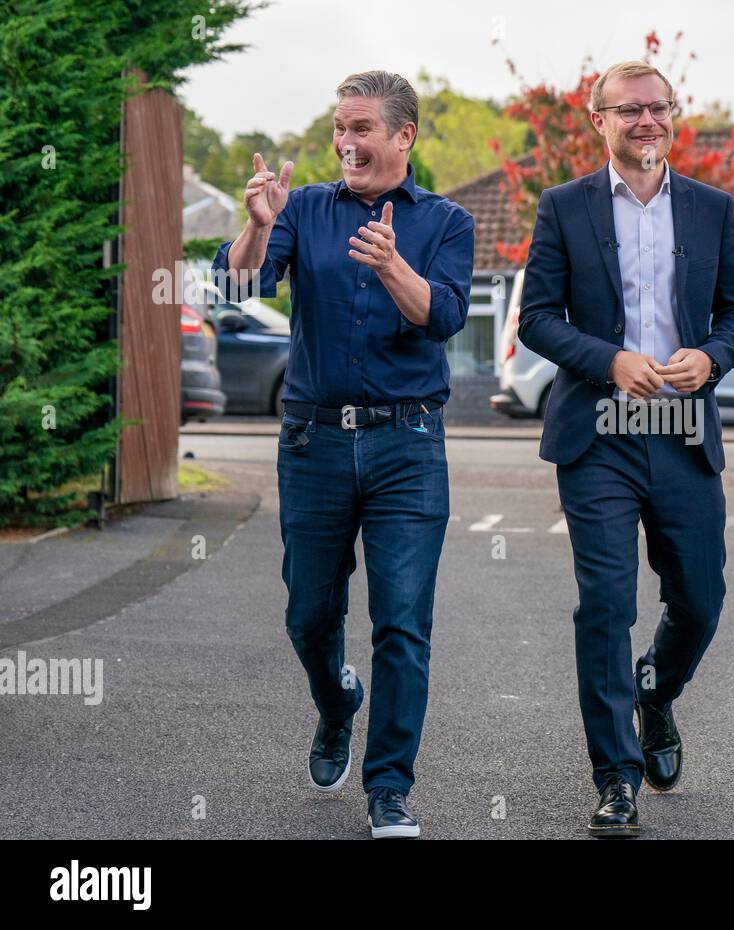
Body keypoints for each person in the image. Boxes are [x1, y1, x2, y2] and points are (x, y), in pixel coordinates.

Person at [212, 70, 474, 839]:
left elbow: (445, 318)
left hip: (408, 445)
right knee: (308, 614)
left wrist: (393, 263)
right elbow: (236, 284)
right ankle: (336, 703)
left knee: (401, 623)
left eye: (362, 128)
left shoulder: (447, 222)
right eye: (339, 128)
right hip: (314, 441)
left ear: (404, 136)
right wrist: (259, 224)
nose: (347, 143)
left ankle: (389, 789)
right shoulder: (302, 209)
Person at [517, 60, 734, 837]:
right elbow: (538, 319)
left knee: (700, 600)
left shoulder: (712, 208)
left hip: (683, 435)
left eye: (658, 108)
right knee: (607, 606)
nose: (646, 121)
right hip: (600, 437)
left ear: (674, 115)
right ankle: (614, 777)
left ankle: (655, 695)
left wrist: (712, 357)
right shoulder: (563, 207)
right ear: (600, 121)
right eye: (629, 111)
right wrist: (608, 359)